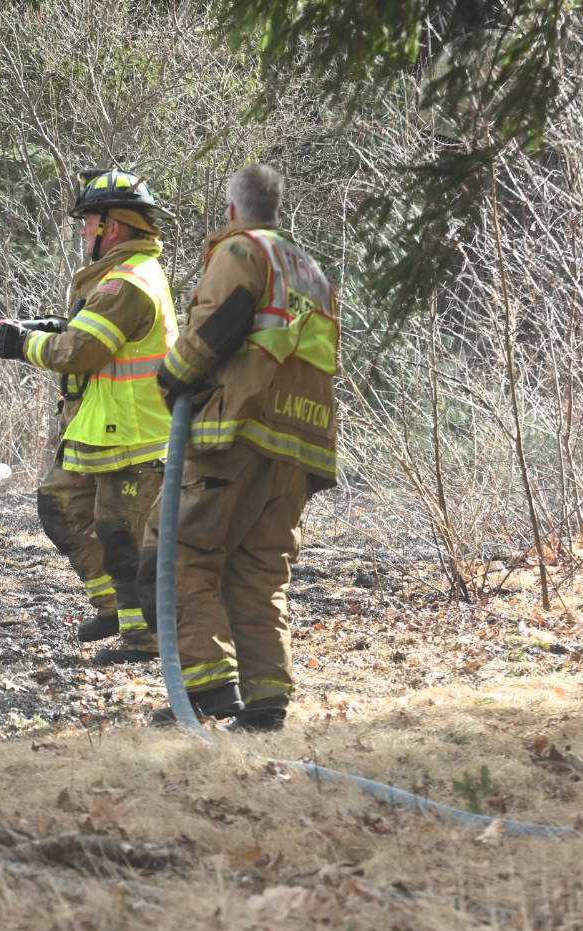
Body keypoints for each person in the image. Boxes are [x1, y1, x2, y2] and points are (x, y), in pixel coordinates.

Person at [137, 164, 339, 731]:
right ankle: (267, 700)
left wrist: (174, 375)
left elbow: (220, 324)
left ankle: (206, 686)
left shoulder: (240, 251)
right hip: (301, 443)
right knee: (258, 570)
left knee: (175, 555)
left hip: (240, 431)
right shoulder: (310, 270)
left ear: (232, 210)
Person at [0, 169, 178, 665]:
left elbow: (79, 353)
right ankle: (114, 606)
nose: (81, 231)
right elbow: (88, 335)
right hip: (100, 429)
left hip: (136, 436)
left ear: (110, 227)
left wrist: (21, 343)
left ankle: (144, 641)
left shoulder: (130, 283)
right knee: (59, 506)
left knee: (123, 536)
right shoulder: (115, 278)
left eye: (87, 221)